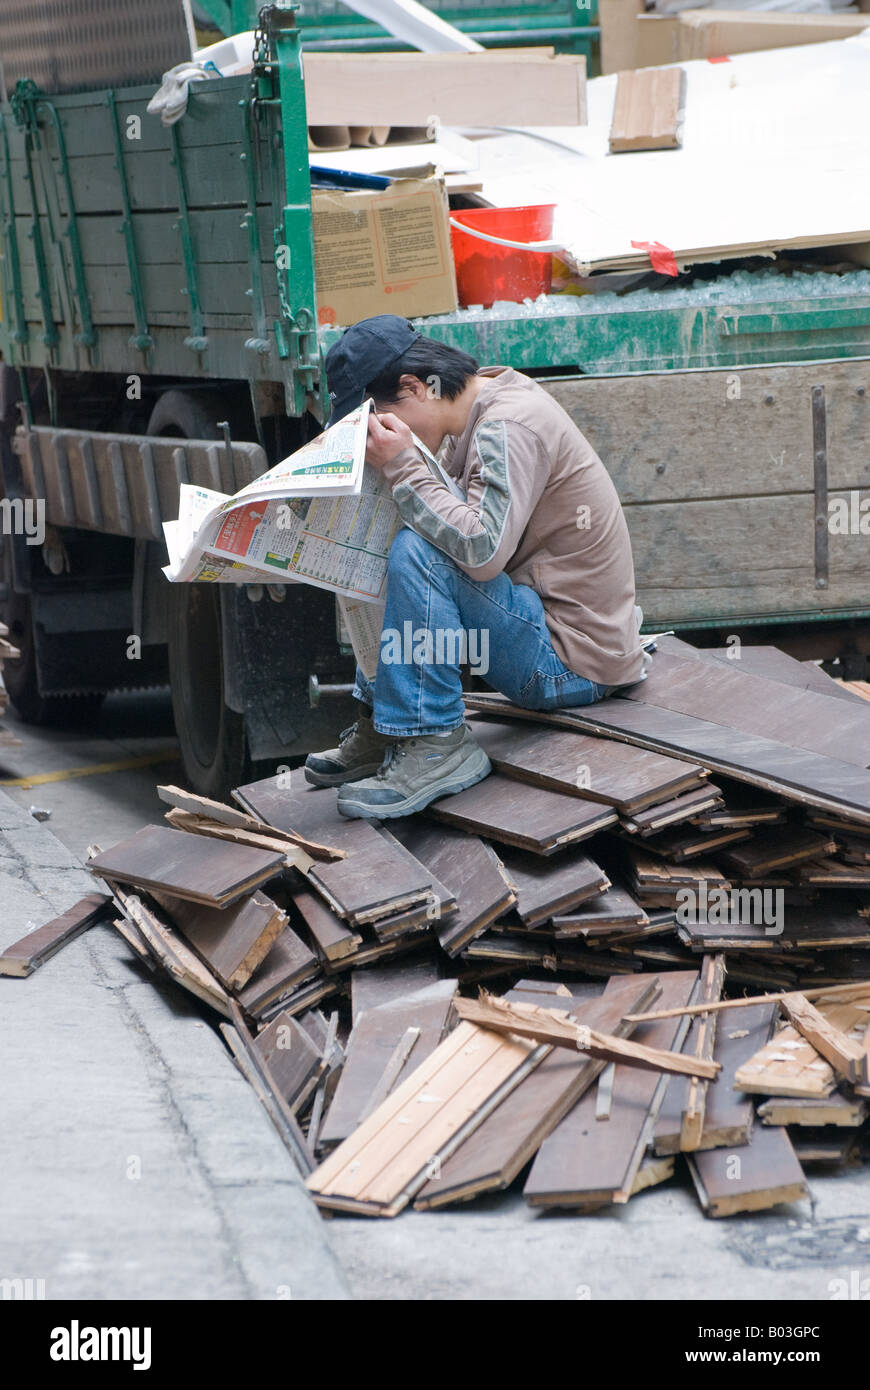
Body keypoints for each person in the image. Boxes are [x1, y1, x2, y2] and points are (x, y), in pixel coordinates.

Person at [305, 314, 647, 820]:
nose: (376, 437)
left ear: (415, 387)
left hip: (571, 662)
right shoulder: (477, 410)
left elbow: (481, 553)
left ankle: (437, 742)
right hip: (528, 626)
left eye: (377, 419)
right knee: (376, 541)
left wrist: (402, 465)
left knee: (417, 552)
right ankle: (385, 725)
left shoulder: (507, 424)